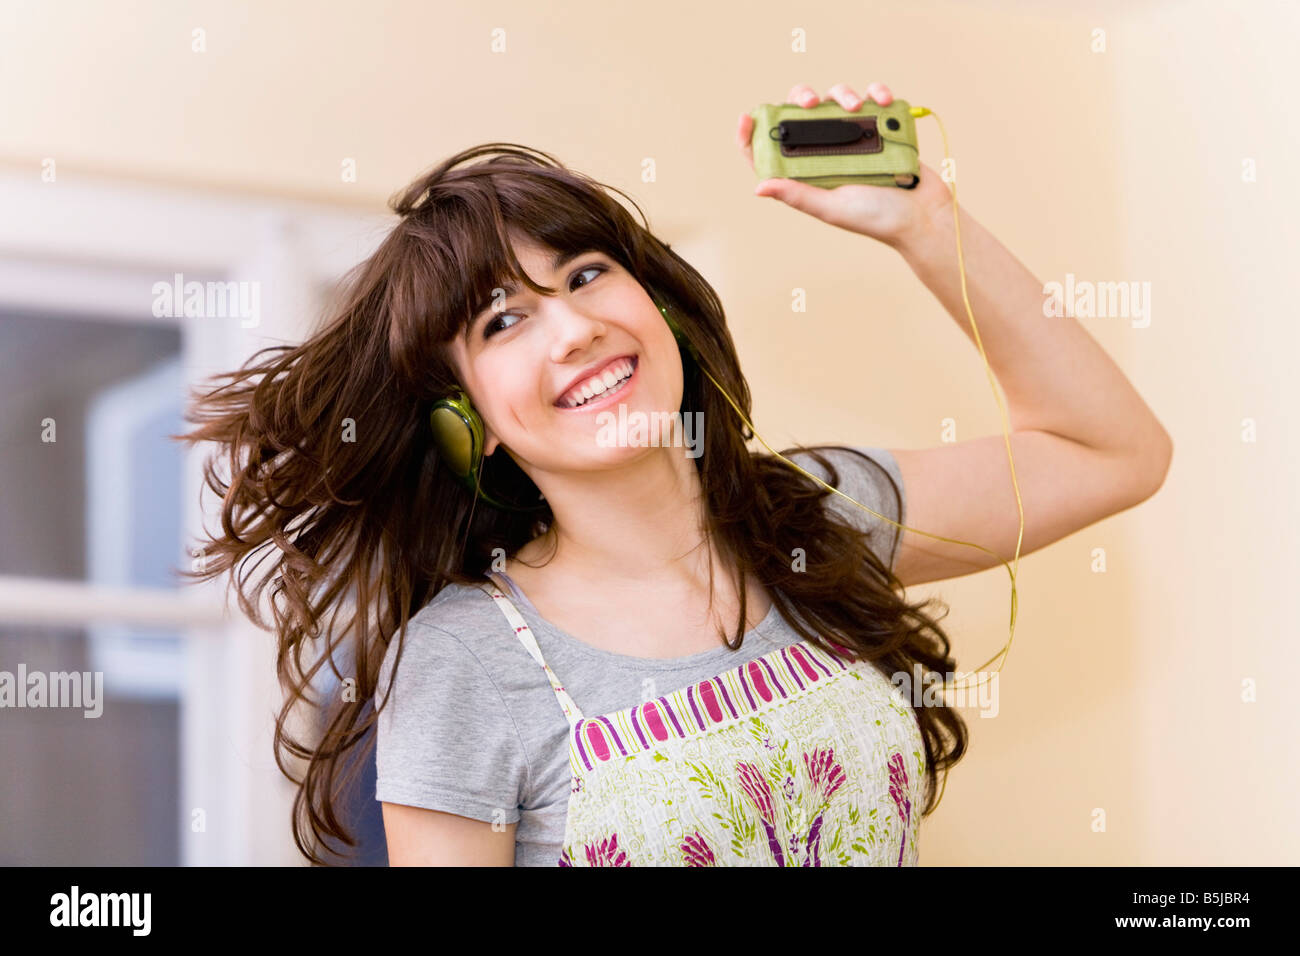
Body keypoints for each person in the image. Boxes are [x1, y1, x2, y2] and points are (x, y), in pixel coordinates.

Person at [176, 81, 1172, 867]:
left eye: (585, 273)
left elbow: (1112, 451)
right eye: (502, 319)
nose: (574, 326)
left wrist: (928, 225)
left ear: (662, 310)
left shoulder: (818, 513)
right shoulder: (463, 661)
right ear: (466, 421)